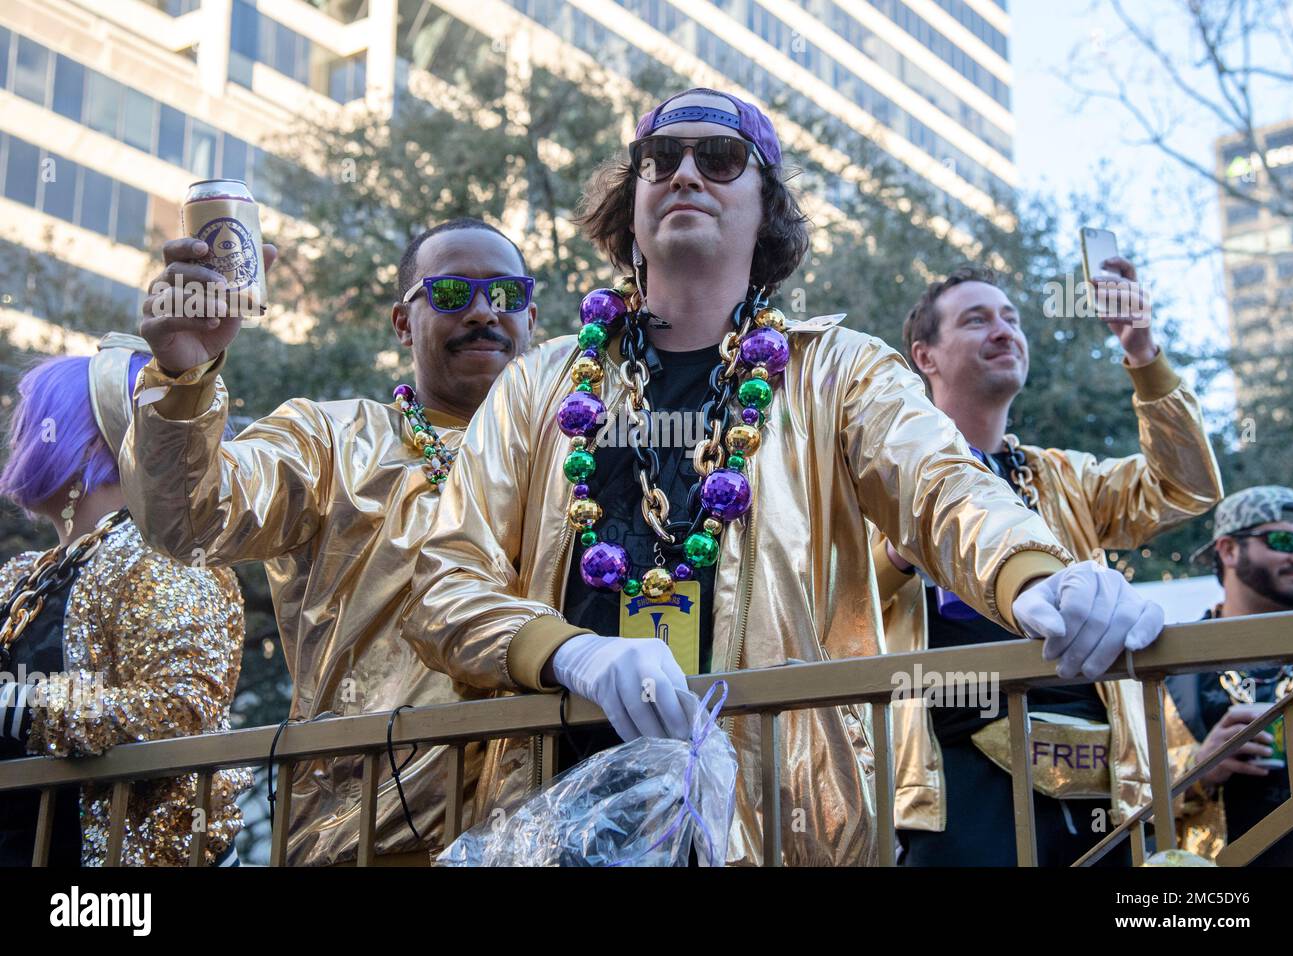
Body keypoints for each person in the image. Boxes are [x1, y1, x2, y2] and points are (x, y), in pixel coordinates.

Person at [401, 88, 1167, 865]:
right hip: (551, 817)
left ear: (766, 205)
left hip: (773, 823)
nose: (686, 175)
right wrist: (571, 653)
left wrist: (1035, 577)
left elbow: (940, 487)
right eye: (660, 159)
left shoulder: (841, 370)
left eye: (721, 158)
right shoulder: (537, 384)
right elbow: (441, 583)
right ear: (630, 203)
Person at [118, 219, 537, 866]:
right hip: (359, 840)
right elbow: (188, 517)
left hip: (546, 836)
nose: (483, 312)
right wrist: (182, 373)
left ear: (531, 317)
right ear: (403, 323)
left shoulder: (578, 462)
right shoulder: (331, 441)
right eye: (452, 293)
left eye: (506, 295)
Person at [875, 264, 1222, 866]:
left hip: (1101, 772)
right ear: (924, 356)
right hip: (953, 773)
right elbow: (827, 596)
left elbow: (1186, 486)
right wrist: (904, 548)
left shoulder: (1063, 477)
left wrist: (1141, 349)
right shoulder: (882, 475)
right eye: (977, 319)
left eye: (1012, 318)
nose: (1005, 331)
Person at [0, 334, 249, 866]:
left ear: (92, 443)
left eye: (34, 421)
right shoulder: (25, 573)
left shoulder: (167, 555)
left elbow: (179, 711)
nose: (18, 438)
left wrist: (25, 709)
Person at [1166, 486, 1293, 865]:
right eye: (1283, 539)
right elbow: (1121, 786)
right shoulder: (1167, 663)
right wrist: (1199, 768)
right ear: (1228, 549)